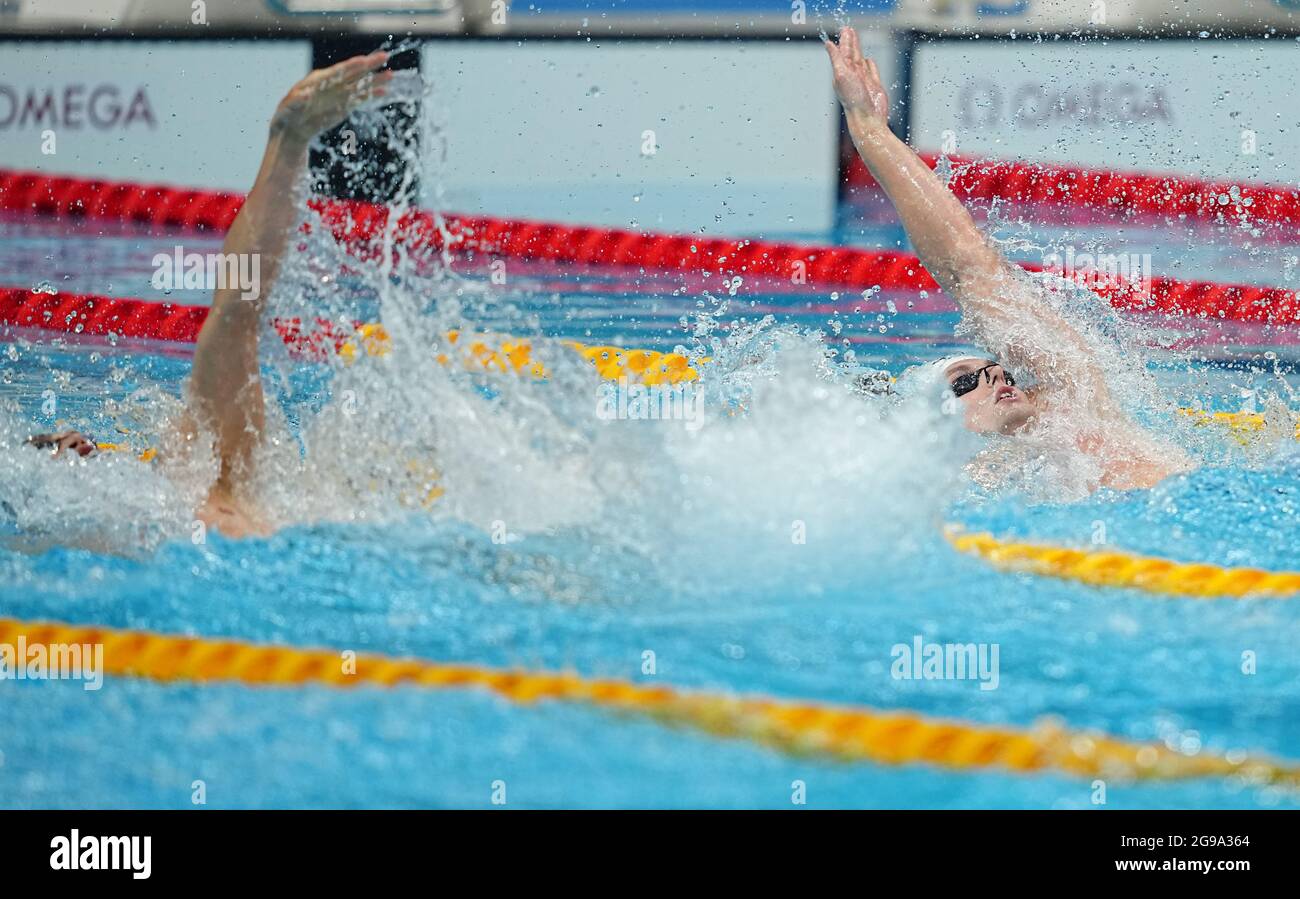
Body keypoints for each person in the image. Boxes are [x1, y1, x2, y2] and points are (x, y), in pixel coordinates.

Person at [23, 52, 394, 538]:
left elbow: (238, 309)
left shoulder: (187, 482)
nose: (76, 444)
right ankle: (287, 139)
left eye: (66, 441)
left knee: (234, 323)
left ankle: (286, 139)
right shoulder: (183, 499)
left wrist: (289, 142)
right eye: (64, 448)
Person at [824, 27, 1190, 492]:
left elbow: (971, 270)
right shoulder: (963, 481)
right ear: (935, 423)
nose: (994, 373)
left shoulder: (1074, 406)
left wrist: (872, 132)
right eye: (963, 381)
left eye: (994, 367)